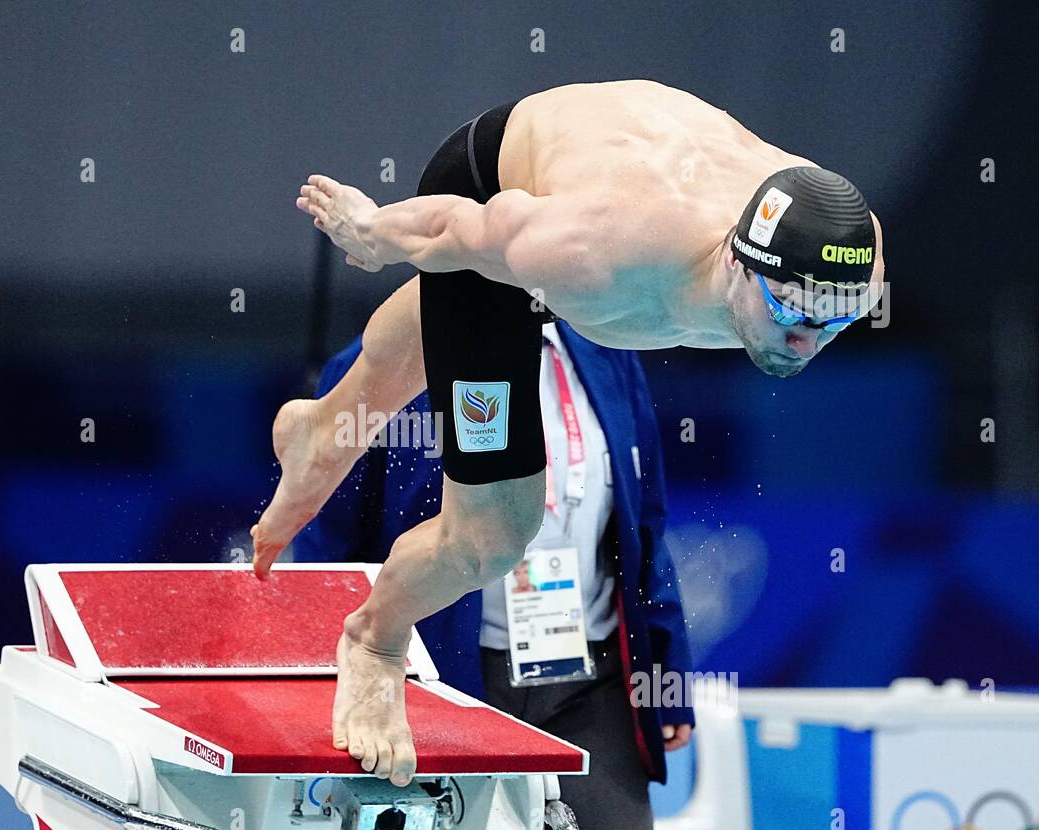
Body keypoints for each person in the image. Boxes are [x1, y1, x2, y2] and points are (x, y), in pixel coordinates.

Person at [252, 80, 885, 787]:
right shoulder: (599, 249)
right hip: (495, 189)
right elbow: (457, 232)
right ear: (738, 261)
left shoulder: (850, 256)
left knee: (487, 311)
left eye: (833, 324)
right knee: (491, 536)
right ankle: (375, 639)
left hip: (615, 170)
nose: (804, 345)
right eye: (788, 313)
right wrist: (371, 232)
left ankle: (326, 426)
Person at [293, 319, 693, 830]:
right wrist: (333, 691)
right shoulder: (378, 364)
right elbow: (330, 550)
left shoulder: (607, 346)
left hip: (589, 685)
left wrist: (666, 673)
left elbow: (645, 521)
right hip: (445, 690)